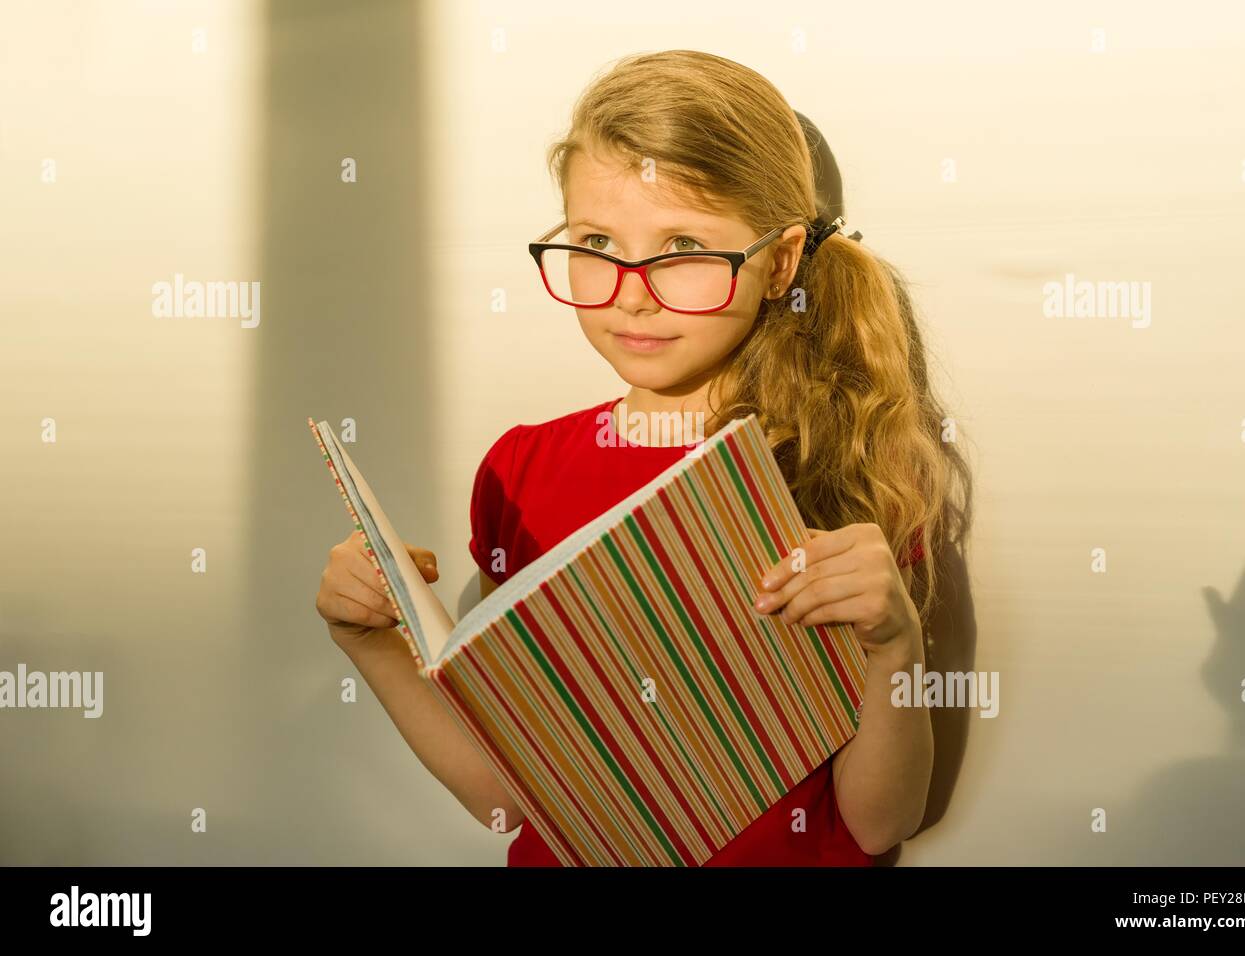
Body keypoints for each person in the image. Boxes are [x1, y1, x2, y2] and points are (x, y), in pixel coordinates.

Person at [315, 49, 970, 866]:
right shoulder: (520, 474)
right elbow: (508, 799)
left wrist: (895, 647)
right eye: (595, 240)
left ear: (782, 261)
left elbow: (879, 823)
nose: (630, 291)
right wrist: (372, 642)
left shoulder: (850, 463)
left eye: (683, 246)